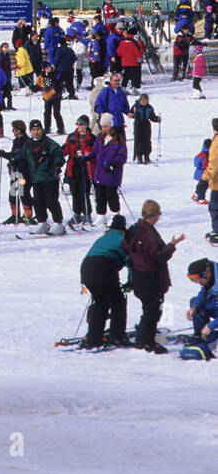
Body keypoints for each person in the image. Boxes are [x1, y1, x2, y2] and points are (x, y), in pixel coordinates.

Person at [125, 199, 182, 353]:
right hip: (151, 277)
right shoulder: (148, 233)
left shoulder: (134, 230)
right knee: (152, 311)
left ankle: (143, 339)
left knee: (149, 310)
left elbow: (127, 249)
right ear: (155, 215)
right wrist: (172, 245)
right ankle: (147, 342)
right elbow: (158, 257)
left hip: (139, 275)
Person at [77, 214, 131, 349]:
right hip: (104, 268)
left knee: (100, 302)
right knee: (118, 301)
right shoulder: (123, 239)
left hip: (86, 269)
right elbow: (131, 262)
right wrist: (131, 283)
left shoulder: (102, 238)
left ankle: (94, 338)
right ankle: (117, 336)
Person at [21, 120, 65, 234]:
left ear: (42, 130)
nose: (36, 132)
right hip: (36, 178)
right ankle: (42, 222)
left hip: (50, 176)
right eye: (33, 130)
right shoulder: (28, 144)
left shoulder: (49, 143)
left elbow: (58, 154)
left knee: (51, 201)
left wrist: (57, 165)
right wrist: (13, 161)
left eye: (38, 129)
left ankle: (58, 223)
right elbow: (22, 156)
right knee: (38, 201)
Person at [90, 117, 127, 227]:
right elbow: (95, 151)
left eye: (106, 126)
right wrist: (87, 156)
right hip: (100, 172)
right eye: (102, 126)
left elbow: (122, 156)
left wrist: (112, 163)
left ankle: (115, 215)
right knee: (99, 195)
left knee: (111, 195)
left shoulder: (119, 139)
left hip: (111, 173)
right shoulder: (100, 138)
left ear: (111, 126)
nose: (104, 128)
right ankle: (101, 216)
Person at [63, 115, 96, 229]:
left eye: (81, 124)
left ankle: (87, 213)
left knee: (84, 192)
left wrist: (88, 155)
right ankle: (77, 213)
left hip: (86, 166)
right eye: (77, 124)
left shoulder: (92, 138)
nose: (78, 126)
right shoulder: (72, 137)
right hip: (74, 166)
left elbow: (95, 152)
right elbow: (66, 149)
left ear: (86, 126)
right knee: (75, 192)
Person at [182, 259, 218, 360]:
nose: (197, 283)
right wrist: (195, 308)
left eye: (196, 279)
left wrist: (210, 326)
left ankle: (208, 335)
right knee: (195, 301)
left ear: (206, 272)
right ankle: (201, 336)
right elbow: (203, 293)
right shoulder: (211, 277)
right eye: (192, 280)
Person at [129, 94, 160, 165]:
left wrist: (157, 119)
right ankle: (139, 157)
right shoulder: (136, 106)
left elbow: (152, 116)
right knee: (139, 141)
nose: (144, 103)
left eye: (146, 101)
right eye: (143, 101)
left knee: (147, 141)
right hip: (138, 125)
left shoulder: (149, 107)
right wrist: (134, 115)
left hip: (146, 125)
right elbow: (131, 114)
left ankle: (147, 156)